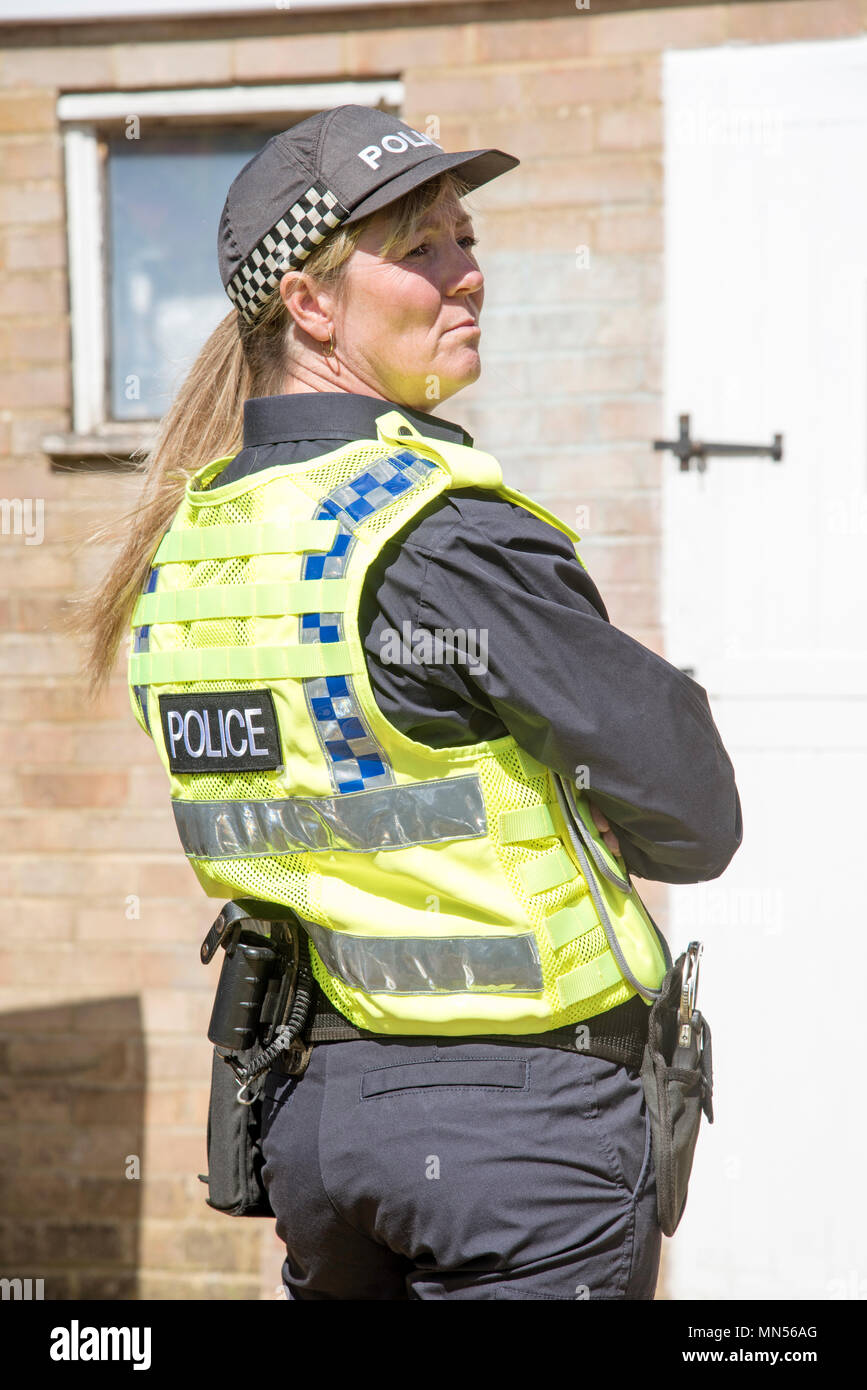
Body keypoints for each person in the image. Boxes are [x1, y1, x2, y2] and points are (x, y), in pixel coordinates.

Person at [81, 105, 742, 1300]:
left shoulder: (190, 553)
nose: (468, 272)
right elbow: (695, 813)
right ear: (313, 304)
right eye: (422, 246)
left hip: (325, 1139)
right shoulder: (432, 533)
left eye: (466, 236)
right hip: (519, 1149)